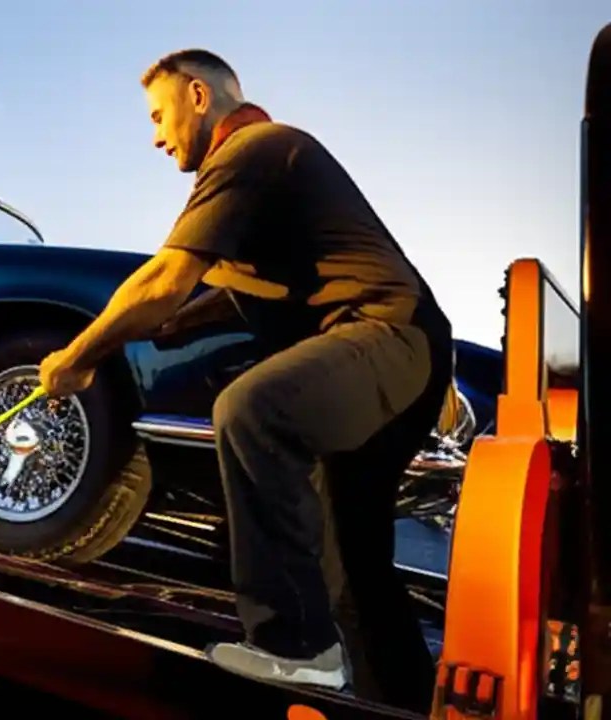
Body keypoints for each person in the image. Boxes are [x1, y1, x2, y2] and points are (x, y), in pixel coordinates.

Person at [37, 48, 452, 713]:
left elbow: (165, 278)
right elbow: (229, 289)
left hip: (387, 338)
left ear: (198, 97)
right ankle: (399, 703)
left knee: (253, 409)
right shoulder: (269, 172)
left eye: (157, 115)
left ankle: (293, 647)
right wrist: (177, 323)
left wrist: (77, 354)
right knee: (350, 567)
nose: (154, 136)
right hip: (407, 356)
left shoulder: (252, 149)